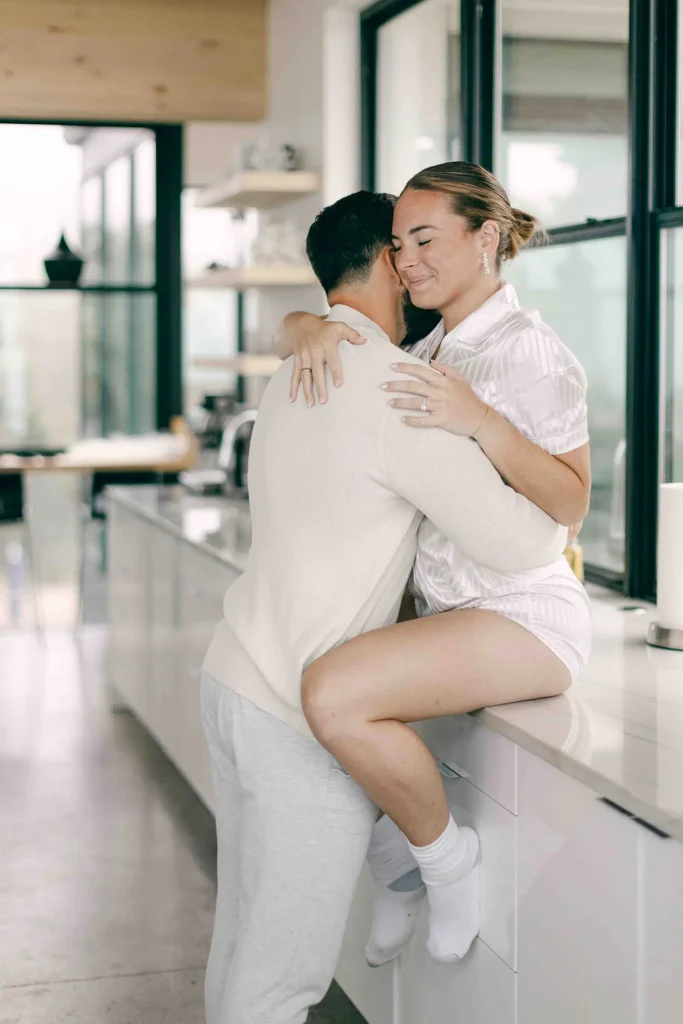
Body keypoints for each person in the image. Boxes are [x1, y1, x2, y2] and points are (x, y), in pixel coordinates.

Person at [200, 188, 567, 1024]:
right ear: (389, 266)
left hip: (234, 676)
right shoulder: (393, 385)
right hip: (291, 711)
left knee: (243, 941)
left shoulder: (305, 361)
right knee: (280, 979)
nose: (416, 267)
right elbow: (523, 544)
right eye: (405, 249)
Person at [275, 161, 592, 969]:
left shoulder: (530, 350)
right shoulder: (429, 341)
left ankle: (436, 864)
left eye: (424, 239)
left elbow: (570, 502)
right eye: (397, 244)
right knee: (291, 687)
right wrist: (303, 326)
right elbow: (342, 330)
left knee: (333, 694)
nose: (406, 261)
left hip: (524, 616)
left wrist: (480, 419)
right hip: (450, 611)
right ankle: (401, 863)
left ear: (484, 239)